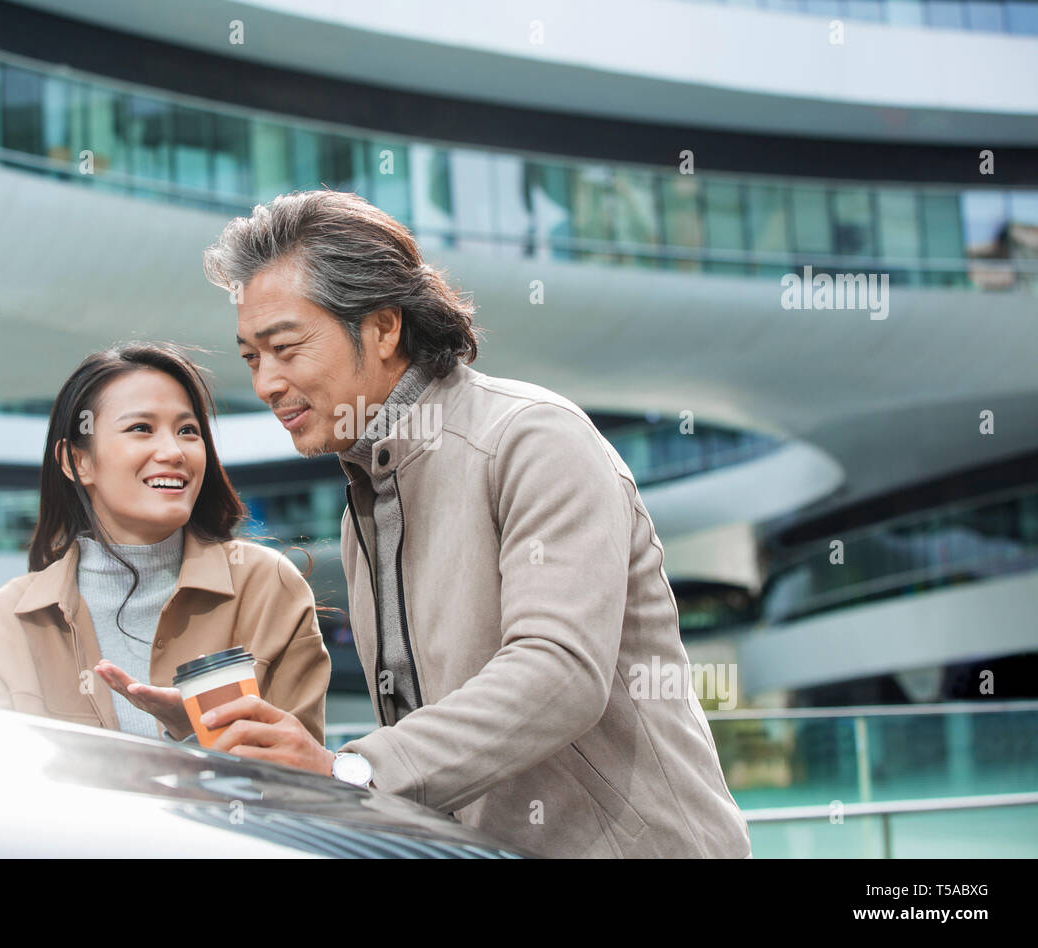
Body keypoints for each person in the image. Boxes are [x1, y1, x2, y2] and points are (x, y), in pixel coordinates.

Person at [154, 188, 750, 857]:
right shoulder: (366, 506)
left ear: (384, 327)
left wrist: (352, 769)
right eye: (250, 358)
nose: (265, 383)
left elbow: (558, 672)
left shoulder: (532, 439)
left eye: (286, 347)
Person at [0, 341, 329, 745]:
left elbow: (305, 781)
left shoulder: (267, 587)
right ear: (77, 462)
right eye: (141, 428)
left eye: (188, 430)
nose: (173, 451)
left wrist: (194, 735)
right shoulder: (12, 618)